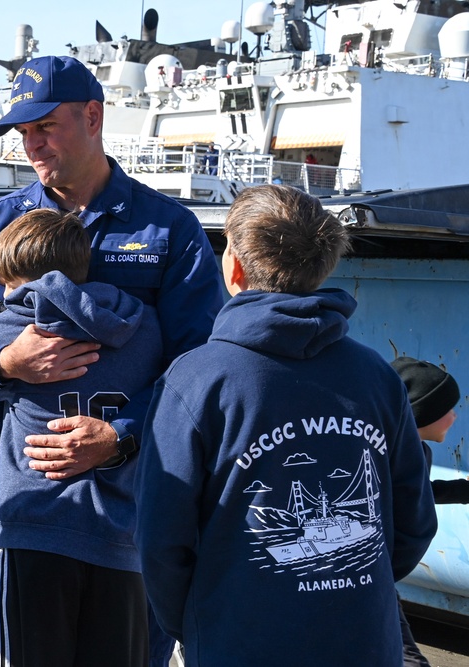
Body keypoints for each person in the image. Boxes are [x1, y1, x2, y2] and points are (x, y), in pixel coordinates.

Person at [0, 54, 224, 667]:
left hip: (130, 509)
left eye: (45, 128)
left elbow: (201, 365)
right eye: (23, 133)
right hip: (15, 507)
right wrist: (7, 362)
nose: (32, 145)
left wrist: (120, 435)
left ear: (93, 116)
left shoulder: (169, 231)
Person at [134, 184, 438, 666]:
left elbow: (159, 538)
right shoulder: (376, 375)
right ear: (325, 264)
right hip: (364, 642)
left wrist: (199, 620)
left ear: (232, 264)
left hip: (240, 645)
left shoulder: (197, 379)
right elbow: (414, 522)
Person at [0, 208, 164, 666]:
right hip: (118, 537)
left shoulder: (14, 329)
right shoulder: (144, 327)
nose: (3, 296)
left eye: (8, 283)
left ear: (29, 284)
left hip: (33, 528)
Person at [390, 356, 466, 667]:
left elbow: (416, 494)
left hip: (379, 576)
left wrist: (461, 491)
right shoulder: (393, 456)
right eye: (446, 410)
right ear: (421, 415)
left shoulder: (413, 450)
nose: (454, 417)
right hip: (370, 576)